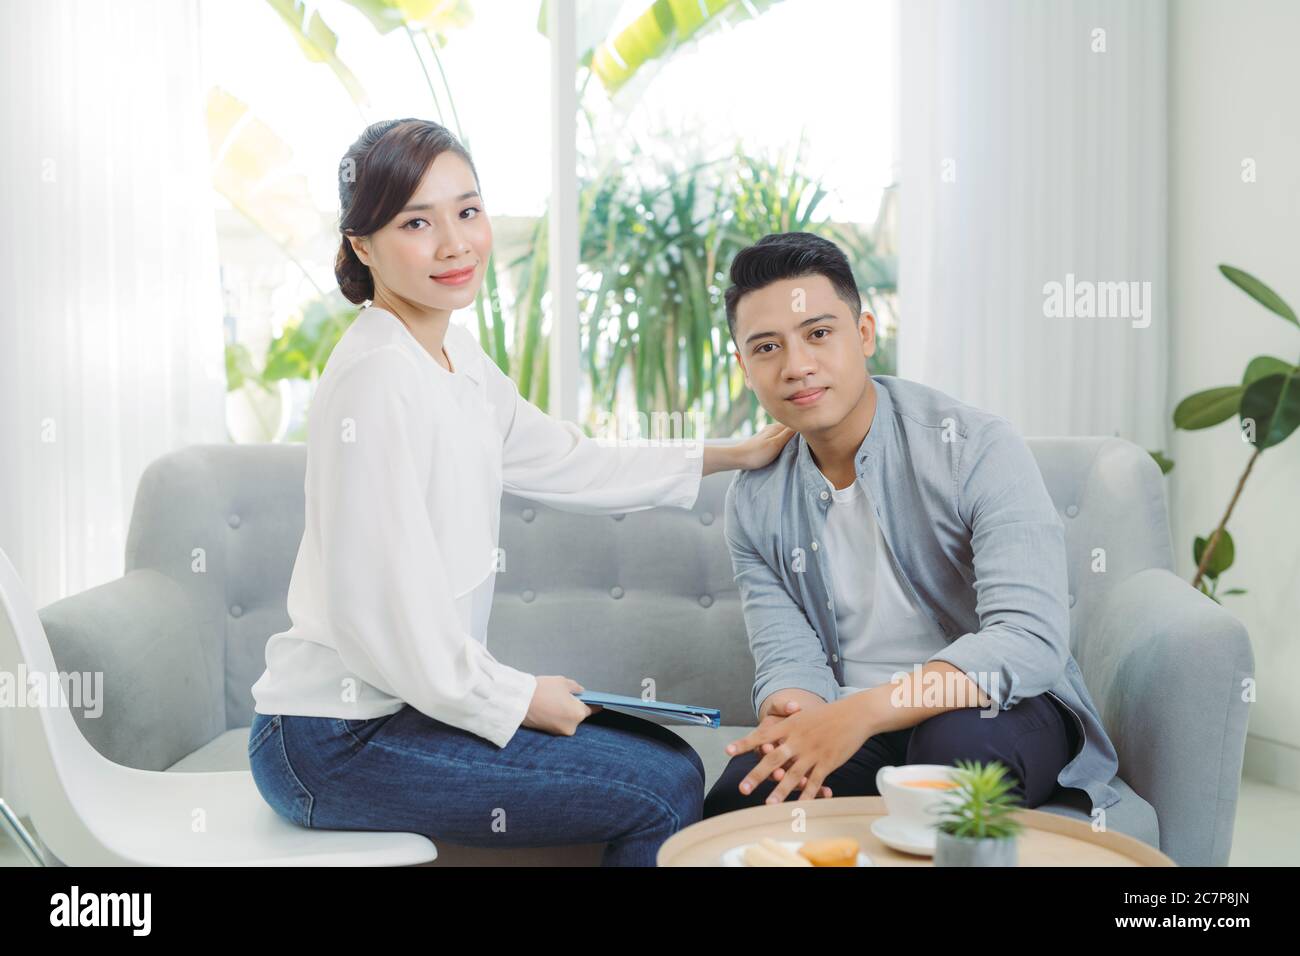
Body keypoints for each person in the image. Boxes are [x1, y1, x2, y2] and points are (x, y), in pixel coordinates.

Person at [247, 118, 794, 867]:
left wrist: (731, 453)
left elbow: (571, 460)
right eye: (416, 222)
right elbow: (385, 620)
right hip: (332, 739)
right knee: (661, 786)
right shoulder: (376, 380)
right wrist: (515, 697)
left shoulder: (452, 356)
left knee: (665, 760)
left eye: (467, 212)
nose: (454, 243)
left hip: (402, 710)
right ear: (361, 245)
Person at [702, 231, 1124, 821]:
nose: (798, 366)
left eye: (819, 333)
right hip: (849, 715)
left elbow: (1029, 640)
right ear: (745, 367)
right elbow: (788, 657)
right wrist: (794, 718)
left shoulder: (975, 447)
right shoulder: (754, 499)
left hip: (991, 706)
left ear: (865, 334)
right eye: (767, 348)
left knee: (949, 766)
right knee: (741, 803)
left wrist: (866, 711)